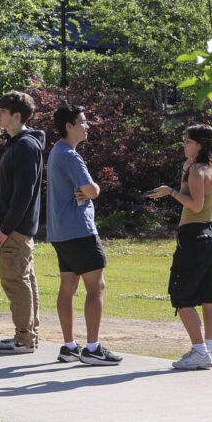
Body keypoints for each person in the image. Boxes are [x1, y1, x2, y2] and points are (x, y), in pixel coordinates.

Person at [45, 104, 121, 366]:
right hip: (79, 230)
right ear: (69, 125)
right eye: (83, 122)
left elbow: (81, 190)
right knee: (96, 287)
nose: (87, 126)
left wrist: (85, 190)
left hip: (61, 231)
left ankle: (69, 347)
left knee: (68, 287)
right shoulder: (70, 156)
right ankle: (92, 349)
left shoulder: (56, 151)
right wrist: (94, 188)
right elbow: (91, 190)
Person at [150, 124, 212, 370]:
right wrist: (186, 169)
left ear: (200, 144)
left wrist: (170, 192)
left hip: (195, 237)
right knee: (209, 296)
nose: (184, 144)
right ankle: (211, 351)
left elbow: (195, 204)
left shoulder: (196, 169)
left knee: (182, 297)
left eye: (189, 141)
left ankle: (199, 351)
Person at [0, 91, 45, 355]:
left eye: (2, 110)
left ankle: (24, 338)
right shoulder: (17, 143)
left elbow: (24, 192)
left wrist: (6, 228)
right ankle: (28, 335)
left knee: (15, 280)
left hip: (16, 229)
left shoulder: (25, 146)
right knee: (24, 279)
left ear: (16, 115)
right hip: (18, 228)